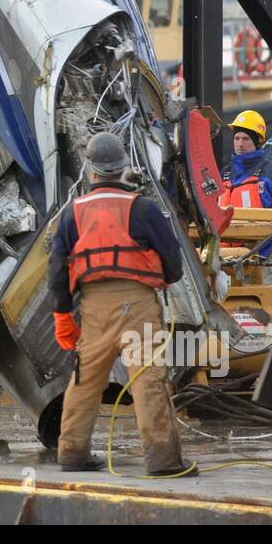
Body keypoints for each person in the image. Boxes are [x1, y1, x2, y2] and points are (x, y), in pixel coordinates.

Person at [47, 133, 197, 477]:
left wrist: (61, 315)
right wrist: (163, 278)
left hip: (93, 309)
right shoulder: (142, 208)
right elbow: (173, 260)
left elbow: (57, 267)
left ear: (91, 169)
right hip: (138, 305)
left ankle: (71, 452)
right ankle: (163, 460)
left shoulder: (73, 213)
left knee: (86, 380)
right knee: (147, 380)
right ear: (122, 168)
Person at [222, 110, 272, 287]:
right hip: (231, 262)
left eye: (246, 139)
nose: (240, 144)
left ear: (258, 141)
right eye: (237, 138)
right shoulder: (225, 175)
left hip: (269, 262)